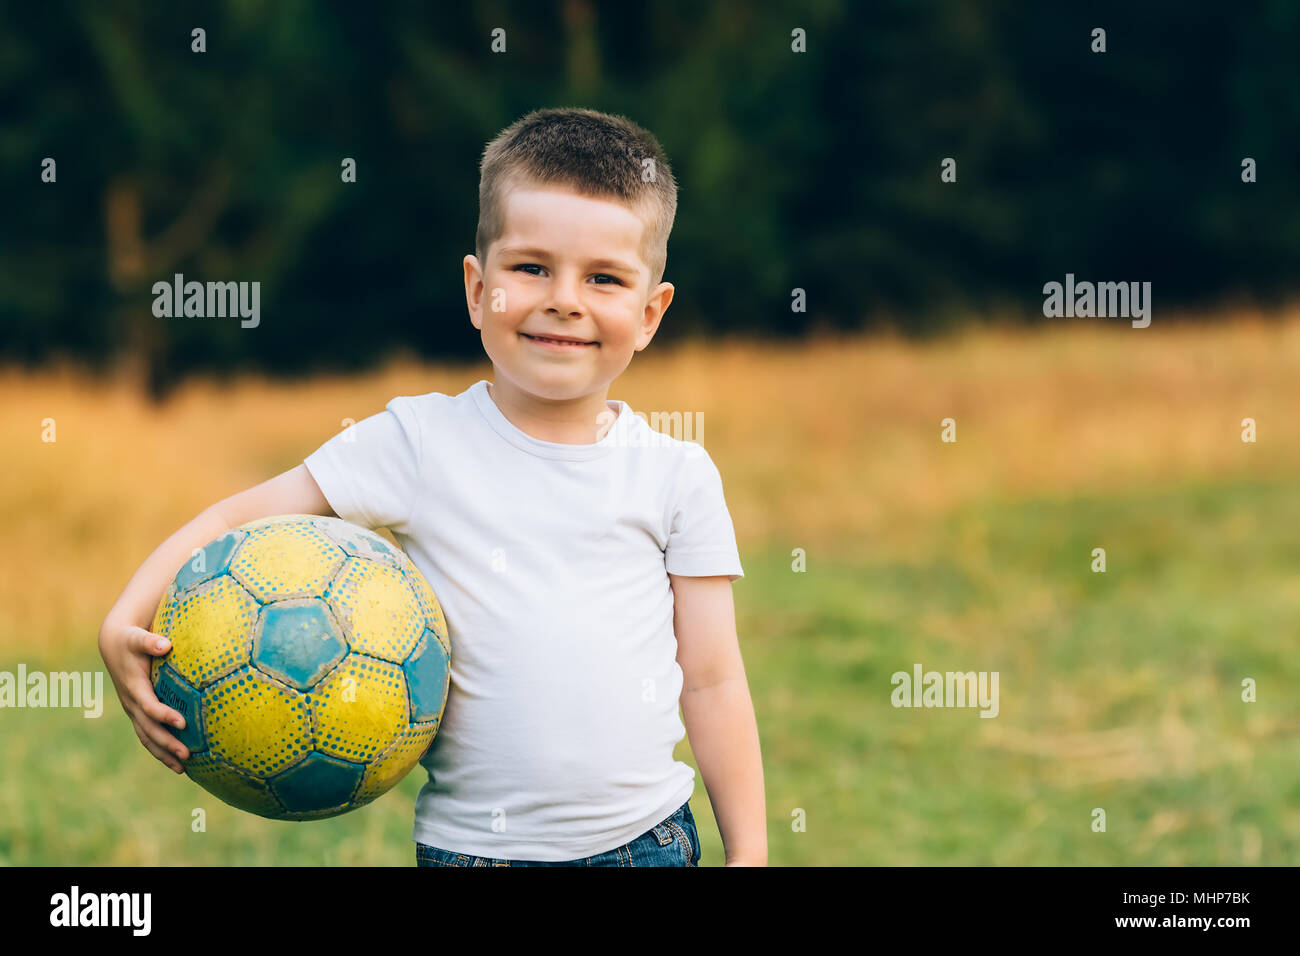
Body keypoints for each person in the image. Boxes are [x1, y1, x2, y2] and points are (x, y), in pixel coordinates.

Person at [99, 107, 767, 867]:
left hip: (643, 842)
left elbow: (713, 683)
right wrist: (124, 615)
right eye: (532, 267)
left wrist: (749, 853)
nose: (565, 299)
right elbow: (232, 518)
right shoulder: (417, 443)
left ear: (650, 314)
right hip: (473, 850)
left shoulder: (677, 475)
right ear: (478, 288)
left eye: (604, 279)